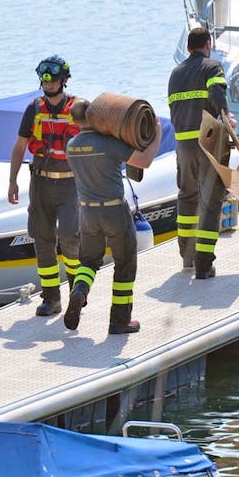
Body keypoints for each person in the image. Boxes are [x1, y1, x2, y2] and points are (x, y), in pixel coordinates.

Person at [63, 99, 162, 334]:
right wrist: (156, 132)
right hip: (114, 210)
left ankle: (80, 290)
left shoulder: (72, 145)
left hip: (87, 212)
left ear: (74, 122)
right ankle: (119, 321)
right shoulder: (108, 143)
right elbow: (144, 160)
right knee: (125, 263)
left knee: (88, 262)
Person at [8, 55, 82, 316]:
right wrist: (12, 181)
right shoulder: (33, 109)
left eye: (53, 77)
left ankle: (77, 292)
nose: (48, 82)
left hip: (70, 185)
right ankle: (51, 298)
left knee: (70, 237)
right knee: (42, 238)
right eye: (44, 77)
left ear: (64, 79)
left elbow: (97, 144)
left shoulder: (79, 108)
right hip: (40, 183)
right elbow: (19, 146)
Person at [167, 27, 230, 280]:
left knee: (187, 199)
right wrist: (226, 116)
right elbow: (217, 94)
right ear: (207, 44)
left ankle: (187, 257)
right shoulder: (212, 66)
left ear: (188, 47)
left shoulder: (175, 73)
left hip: (182, 145)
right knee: (211, 201)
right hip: (207, 139)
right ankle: (204, 264)